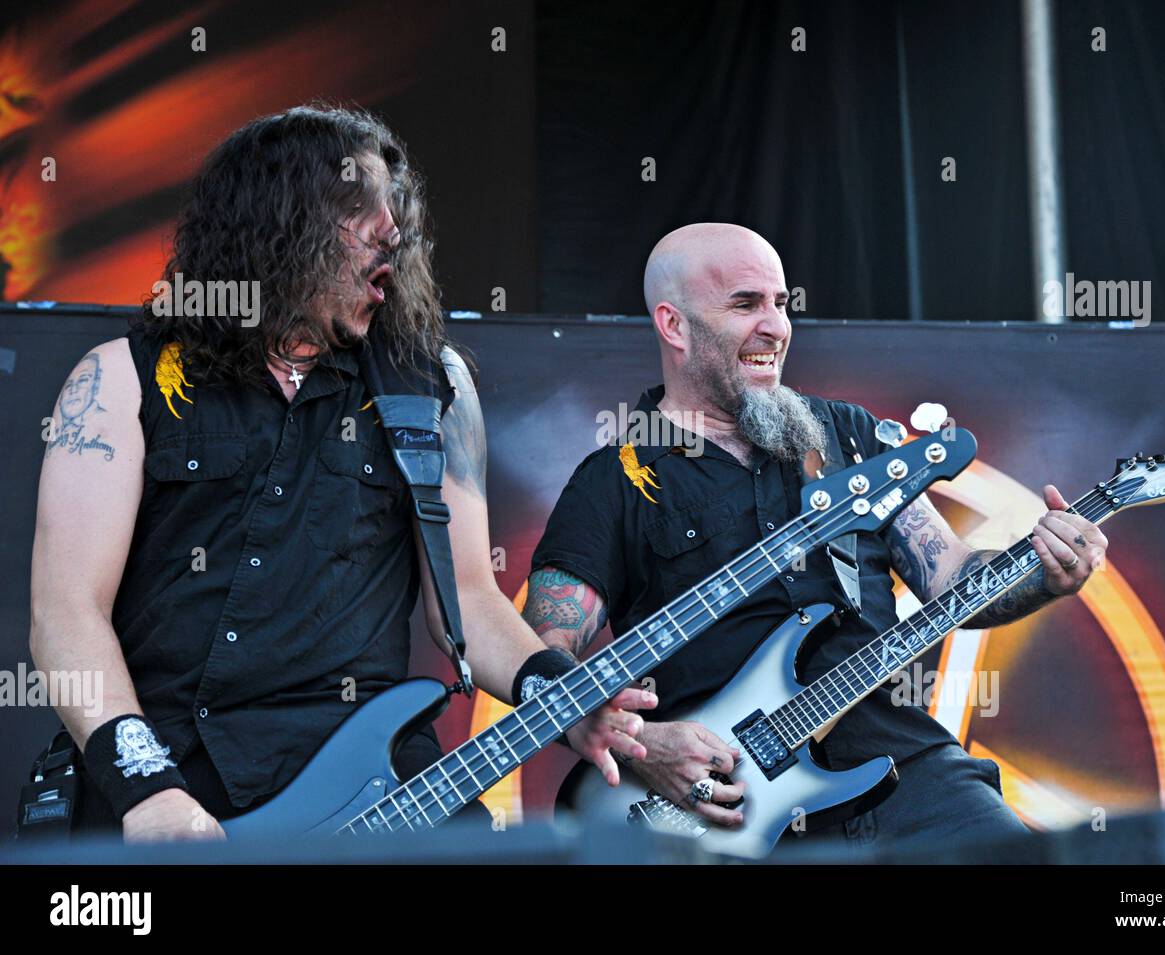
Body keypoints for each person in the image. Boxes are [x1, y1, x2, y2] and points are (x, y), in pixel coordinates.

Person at [29, 104, 652, 843]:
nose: (393, 231)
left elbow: (471, 601)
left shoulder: (428, 387)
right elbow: (66, 614)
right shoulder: (122, 379)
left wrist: (562, 695)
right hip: (176, 781)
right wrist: (146, 788)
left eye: (400, 212)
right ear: (276, 222)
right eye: (363, 209)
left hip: (376, 786)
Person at [524, 223, 1108, 850]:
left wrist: (1044, 571)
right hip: (724, 800)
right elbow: (537, 656)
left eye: (781, 303)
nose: (775, 326)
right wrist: (636, 743)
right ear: (674, 325)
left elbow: (954, 580)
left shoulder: (849, 439)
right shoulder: (613, 481)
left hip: (898, 761)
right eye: (746, 304)